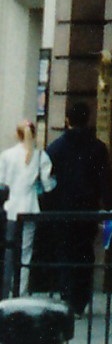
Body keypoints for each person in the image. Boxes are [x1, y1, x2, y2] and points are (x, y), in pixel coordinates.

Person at [42, 100, 112, 315]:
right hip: (87, 209)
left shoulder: (55, 148)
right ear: (88, 120)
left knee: (65, 252)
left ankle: (66, 296)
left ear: (67, 121)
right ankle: (80, 299)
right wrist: (109, 206)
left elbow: (46, 181)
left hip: (62, 209)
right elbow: (105, 181)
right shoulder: (98, 148)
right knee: (84, 253)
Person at [0, 121, 54, 295]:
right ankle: (21, 292)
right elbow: (48, 185)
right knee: (26, 253)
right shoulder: (40, 156)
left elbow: (2, 182)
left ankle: (6, 290)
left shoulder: (7, 155)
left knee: (9, 252)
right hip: (30, 207)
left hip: (11, 208)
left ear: (17, 135)